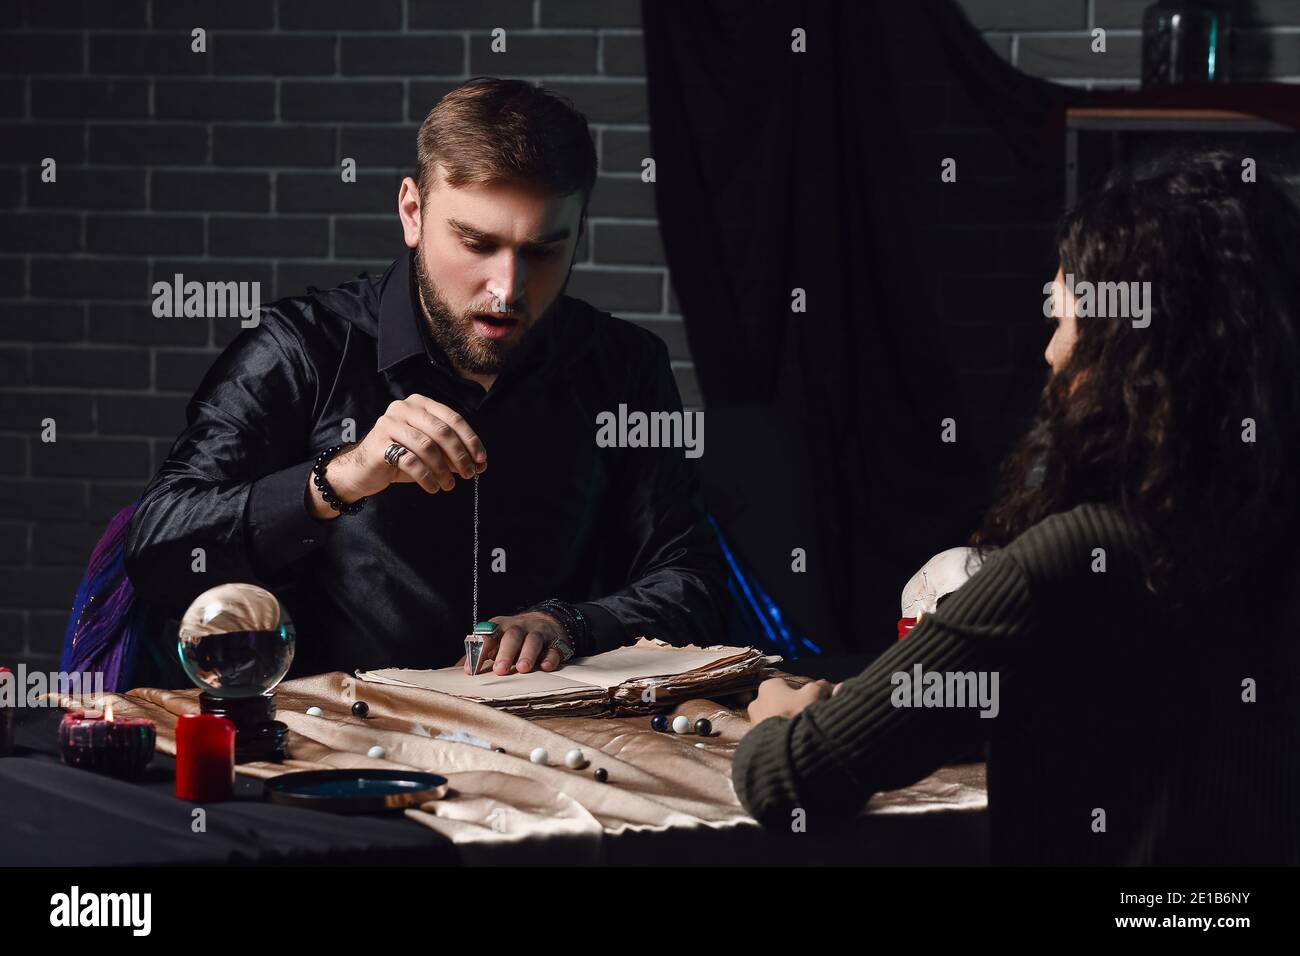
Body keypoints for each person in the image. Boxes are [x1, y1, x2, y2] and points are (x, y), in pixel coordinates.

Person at [732, 147, 1300, 865]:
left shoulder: (1074, 557)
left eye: (1065, 320)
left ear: (1130, 354)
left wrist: (780, 717)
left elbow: (788, 777)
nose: (1051, 353)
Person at [125, 77, 727, 681]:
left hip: (550, 741)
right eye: (476, 243)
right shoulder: (301, 349)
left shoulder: (625, 366)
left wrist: (569, 625)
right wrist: (339, 478)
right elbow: (157, 545)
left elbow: (693, 583)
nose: (507, 289)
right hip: (343, 748)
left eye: (542, 251)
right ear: (413, 213)